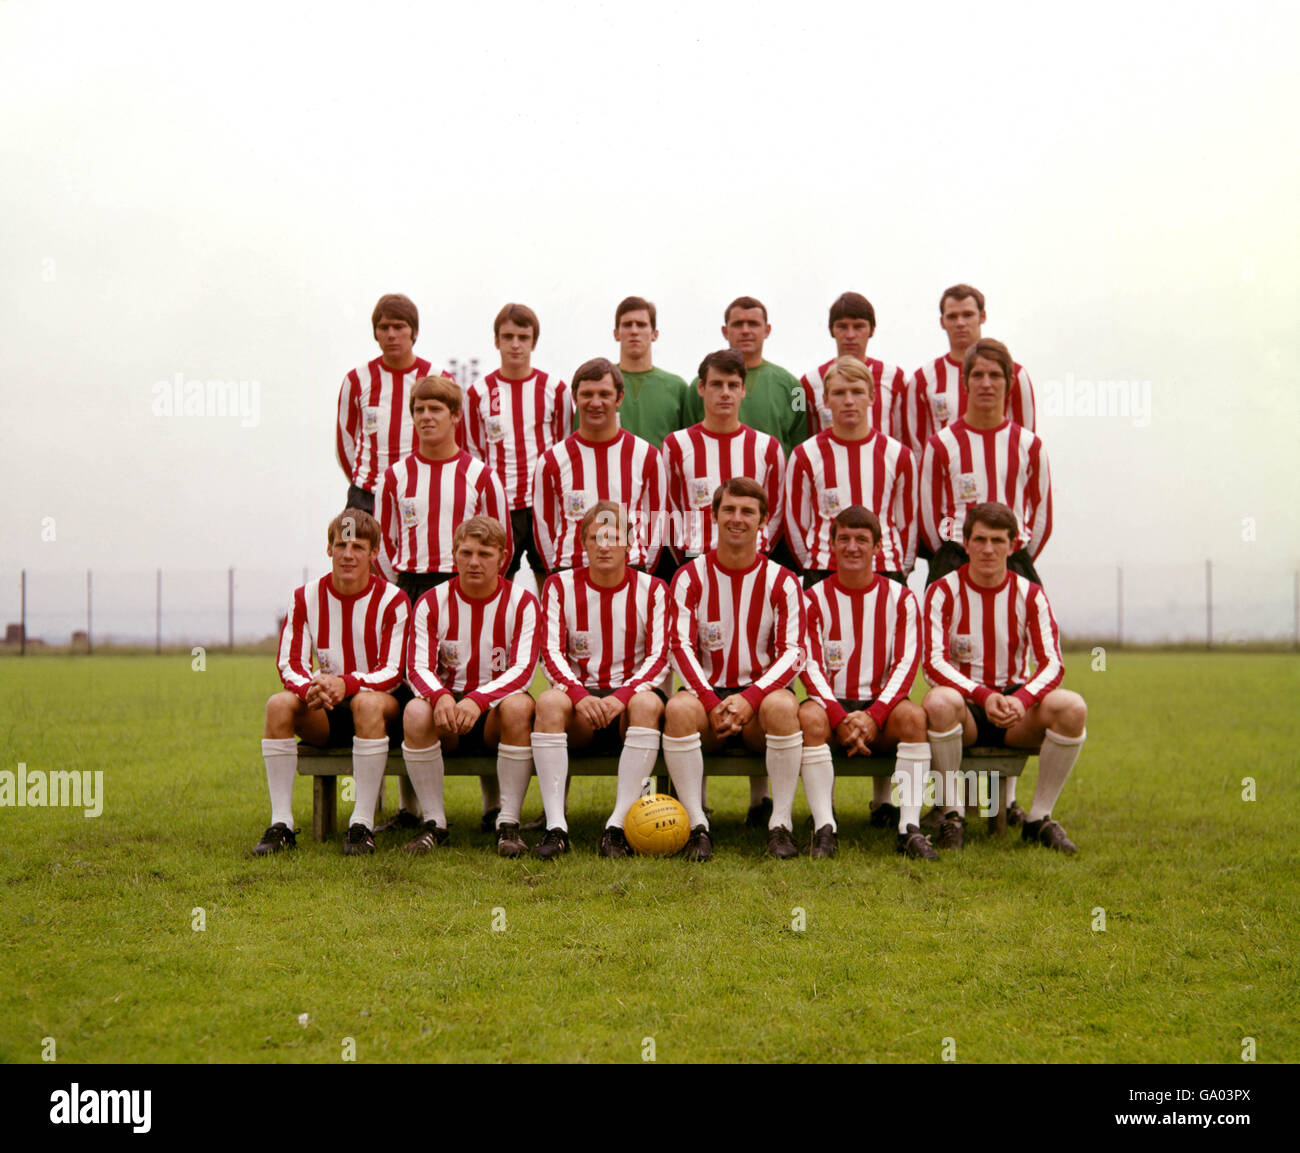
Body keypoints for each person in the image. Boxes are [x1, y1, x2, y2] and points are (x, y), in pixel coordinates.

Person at [919, 502, 1086, 852]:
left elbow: (1052, 663)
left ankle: (1038, 818)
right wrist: (981, 696)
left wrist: (1021, 699)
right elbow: (932, 662)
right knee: (938, 701)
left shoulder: (1031, 595)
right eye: (979, 539)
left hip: (1015, 710)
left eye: (997, 540)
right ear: (965, 544)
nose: (988, 548)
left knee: (1072, 707)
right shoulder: (943, 590)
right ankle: (952, 814)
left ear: (1012, 546)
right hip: (968, 707)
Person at [663, 478, 806, 861]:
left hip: (757, 705)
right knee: (676, 710)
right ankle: (697, 827)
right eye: (729, 509)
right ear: (714, 515)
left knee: (782, 707)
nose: (737, 519)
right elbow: (679, 647)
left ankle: (780, 825)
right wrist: (711, 701)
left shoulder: (783, 580)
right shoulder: (689, 576)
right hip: (706, 701)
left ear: (763, 520)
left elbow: (793, 652)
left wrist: (750, 699)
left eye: (747, 511)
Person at [254, 509, 410, 856]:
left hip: (376, 711)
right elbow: (289, 662)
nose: (348, 554)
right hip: (323, 709)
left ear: (373, 554)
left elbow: (393, 671)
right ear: (329, 550)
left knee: (366, 703)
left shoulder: (394, 600)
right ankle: (281, 824)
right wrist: (309, 686)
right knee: (278, 704)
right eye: (341, 545)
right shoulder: (305, 597)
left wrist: (347, 684)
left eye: (358, 546)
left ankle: (362, 824)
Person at [533, 501, 670, 859]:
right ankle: (555, 826)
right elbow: (549, 652)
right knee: (547, 702)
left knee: (647, 702)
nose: (605, 545)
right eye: (596, 537)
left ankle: (618, 826)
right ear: (584, 543)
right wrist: (580, 696)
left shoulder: (653, 589)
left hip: (627, 705)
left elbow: (660, 657)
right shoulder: (559, 586)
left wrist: (620, 697)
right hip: (579, 707)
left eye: (614, 537)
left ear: (630, 543)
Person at [798, 507, 937, 860]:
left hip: (881, 708)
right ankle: (824, 828)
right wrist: (838, 716)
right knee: (809, 719)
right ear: (831, 545)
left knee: (914, 718)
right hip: (831, 706)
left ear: (878, 546)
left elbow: (906, 664)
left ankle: (908, 827)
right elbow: (807, 662)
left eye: (862, 539)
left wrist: (873, 716)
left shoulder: (901, 598)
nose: (852, 547)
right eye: (843, 538)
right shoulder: (812, 598)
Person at [400, 516, 542, 857]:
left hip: (493, 712)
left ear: (503, 558)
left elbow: (523, 671)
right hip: (448, 714)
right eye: (466, 553)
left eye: (484, 553)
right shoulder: (432, 602)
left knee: (521, 705)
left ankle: (507, 823)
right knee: (416, 710)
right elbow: (417, 667)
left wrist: (478, 700)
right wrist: (440, 696)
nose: (474, 561)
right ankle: (434, 824)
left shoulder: (522, 602)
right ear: (454, 554)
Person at [919, 339, 1051, 586]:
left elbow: (1042, 516)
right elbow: (929, 518)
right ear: (965, 383)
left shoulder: (1030, 445)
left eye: (995, 375)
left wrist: (1011, 551)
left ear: (1010, 382)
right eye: (978, 375)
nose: (986, 384)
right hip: (954, 561)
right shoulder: (941, 444)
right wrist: (954, 548)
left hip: (1012, 561)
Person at [786, 356, 918, 587]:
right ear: (825, 400)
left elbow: (908, 523)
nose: (848, 401)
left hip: (884, 569)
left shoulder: (899, 455)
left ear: (872, 398)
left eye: (857, 392)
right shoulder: (805, 455)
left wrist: (899, 565)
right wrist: (817, 559)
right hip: (824, 570)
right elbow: (797, 525)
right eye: (838, 393)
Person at [463, 303, 572, 579]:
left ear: (534, 342)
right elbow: (474, 455)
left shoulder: (555, 390)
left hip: (543, 507)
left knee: (551, 581)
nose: (515, 345)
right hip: (499, 507)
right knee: (495, 583)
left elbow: (563, 447)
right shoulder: (478, 393)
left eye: (523, 338)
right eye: (508, 337)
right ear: (496, 340)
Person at [378, 375, 511, 599]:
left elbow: (503, 542)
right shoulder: (394, 476)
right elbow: (382, 544)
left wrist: (478, 587)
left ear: (456, 415)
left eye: (435, 409)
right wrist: (397, 589)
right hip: (412, 585)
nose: (426, 417)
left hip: (464, 585)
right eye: (419, 410)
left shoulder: (482, 476)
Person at [533, 357, 666, 574]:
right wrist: (556, 570)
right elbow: (544, 528)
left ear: (619, 397)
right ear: (575, 397)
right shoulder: (551, 460)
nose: (595, 402)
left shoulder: (646, 455)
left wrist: (641, 568)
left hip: (629, 568)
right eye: (587, 394)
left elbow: (657, 520)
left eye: (604, 394)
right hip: (571, 570)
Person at [661, 348, 785, 568]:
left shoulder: (768, 447)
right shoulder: (676, 445)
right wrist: (687, 553)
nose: (725, 392)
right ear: (701, 388)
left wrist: (758, 546)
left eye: (733, 385)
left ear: (743, 390)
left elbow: (774, 512)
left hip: (752, 558)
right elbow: (670, 509)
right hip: (695, 557)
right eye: (717, 384)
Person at [336, 293, 456, 514]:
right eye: (384, 327)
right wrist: (364, 479)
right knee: (347, 544)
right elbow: (345, 443)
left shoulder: (440, 378)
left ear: (414, 332)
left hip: (419, 492)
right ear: (375, 333)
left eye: (399, 327)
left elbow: (452, 438)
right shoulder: (356, 379)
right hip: (364, 497)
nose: (391, 335)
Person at [898, 283, 1036, 462]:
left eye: (968, 315)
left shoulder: (1014, 374)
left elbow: (1026, 440)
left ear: (982, 316)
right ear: (942, 322)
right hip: (946, 479)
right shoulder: (922, 379)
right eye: (952, 316)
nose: (960, 323)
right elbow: (917, 450)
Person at [683, 296, 806, 457]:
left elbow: (802, 442)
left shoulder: (795, 387)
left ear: (767, 330)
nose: (745, 330)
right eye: (738, 324)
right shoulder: (700, 385)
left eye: (753, 324)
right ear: (725, 331)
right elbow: (687, 439)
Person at [799, 291, 906, 440]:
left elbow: (904, 435)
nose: (850, 335)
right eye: (842, 326)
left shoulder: (894, 377)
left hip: (881, 462)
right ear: (831, 330)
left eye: (858, 326)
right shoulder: (808, 382)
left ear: (872, 329)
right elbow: (803, 438)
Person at [608, 296, 691, 449]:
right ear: (616, 333)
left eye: (641, 325)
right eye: (627, 325)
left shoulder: (677, 387)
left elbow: (691, 445)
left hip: (662, 472)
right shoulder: (599, 385)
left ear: (654, 334)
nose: (634, 331)